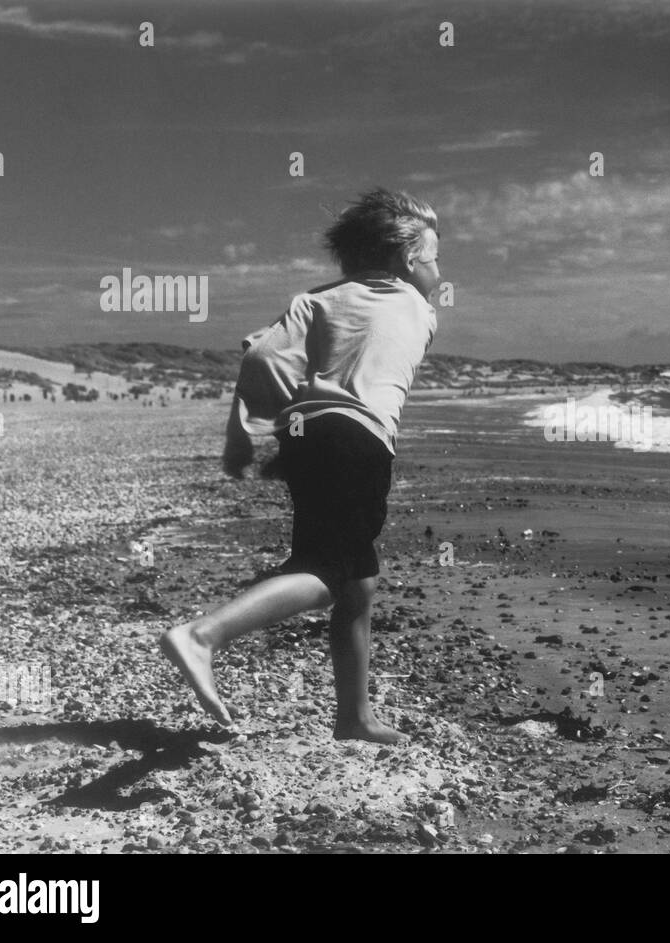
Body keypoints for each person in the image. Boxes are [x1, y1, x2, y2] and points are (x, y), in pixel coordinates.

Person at [161, 188, 441, 744]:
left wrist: (248, 437)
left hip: (305, 433)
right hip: (358, 437)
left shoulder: (316, 299)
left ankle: (354, 716)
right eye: (434, 257)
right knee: (333, 573)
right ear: (408, 261)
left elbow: (262, 356)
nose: (438, 269)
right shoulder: (417, 305)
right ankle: (204, 635)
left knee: (359, 581)